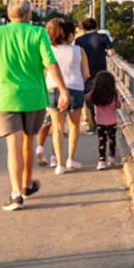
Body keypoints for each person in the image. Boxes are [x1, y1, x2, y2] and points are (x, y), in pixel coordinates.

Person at [0, 0, 68, 210]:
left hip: (5, 98)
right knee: (28, 142)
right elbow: (50, 64)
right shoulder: (38, 33)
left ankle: (16, 195)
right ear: (28, 15)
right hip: (34, 97)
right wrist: (62, 90)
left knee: (12, 147)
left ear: (8, 15)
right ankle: (26, 184)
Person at [44, 18, 91, 173]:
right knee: (74, 126)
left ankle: (59, 164)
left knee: (57, 128)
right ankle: (71, 159)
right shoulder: (79, 50)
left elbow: (45, 72)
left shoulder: (48, 50)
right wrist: (77, 82)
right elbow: (86, 74)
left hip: (52, 89)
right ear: (69, 34)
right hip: (75, 90)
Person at [75, 16, 112, 132]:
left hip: (85, 73)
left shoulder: (79, 40)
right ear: (96, 26)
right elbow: (111, 53)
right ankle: (104, 122)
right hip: (101, 73)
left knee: (89, 98)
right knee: (102, 98)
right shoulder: (103, 37)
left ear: (84, 28)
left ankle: (92, 124)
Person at [87, 70, 120, 169]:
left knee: (102, 141)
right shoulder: (114, 94)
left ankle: (101, 161)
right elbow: (118, 105)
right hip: (112, 121)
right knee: (112, 140)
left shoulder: (94, 94)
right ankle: (112, 158)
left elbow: (85, 97)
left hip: (100, 122)